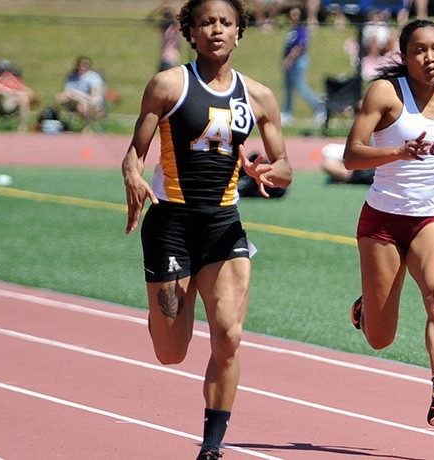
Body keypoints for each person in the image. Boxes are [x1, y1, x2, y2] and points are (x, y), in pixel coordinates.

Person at [120, 1, 293, 458]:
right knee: (171, 352)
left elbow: (286, 166)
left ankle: (212, 448)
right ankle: (162, 318)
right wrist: (133, 175)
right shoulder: (169, 85)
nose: (216, 29)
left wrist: (269, 171)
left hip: (223, 226)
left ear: (239, 33)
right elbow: (134, 152)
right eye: (206, 22)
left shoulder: (258, 97)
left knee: (229, 336)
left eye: (226, 23)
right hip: (171, 224)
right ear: (191, 33)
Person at [342, 19, 434, 427]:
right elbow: (351, 156)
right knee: (380, 338)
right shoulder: (386, 94)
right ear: (405, 56)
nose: (429, 58)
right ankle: (366, 311)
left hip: (432, 219)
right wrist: (396, 152)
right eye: (419, 51)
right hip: (383, 223)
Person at [281, 5, 326, 126]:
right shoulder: (292, 30)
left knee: (301, 86)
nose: (293, 16)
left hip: (298, 61)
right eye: (292, 13)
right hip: (289, 62)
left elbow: (299, 47)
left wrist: (289, 59)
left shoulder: (302, 30)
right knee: (288, 88)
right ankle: (287, 112)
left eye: (296, 14)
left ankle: (320, 108)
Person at [56, 56, 107, 132]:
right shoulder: (72, 77)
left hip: (92, 102)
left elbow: (95, 93)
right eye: (81, 65)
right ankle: (87, 128)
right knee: (65, 96)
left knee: (81, 102)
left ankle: (87, 127)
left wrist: (81, 98)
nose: (82, 67)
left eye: (85, 65)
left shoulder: (93, 76)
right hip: (74, 101)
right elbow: (66, 92)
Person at [150, 2, 182, 71]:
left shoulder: (174, 27)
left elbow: (178, 18)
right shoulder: (164, 28)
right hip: (165, 59)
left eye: (166, 16)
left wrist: (169, 8)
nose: (164, 18)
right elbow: (149, 19)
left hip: (170, 59)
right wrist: (160, 8)